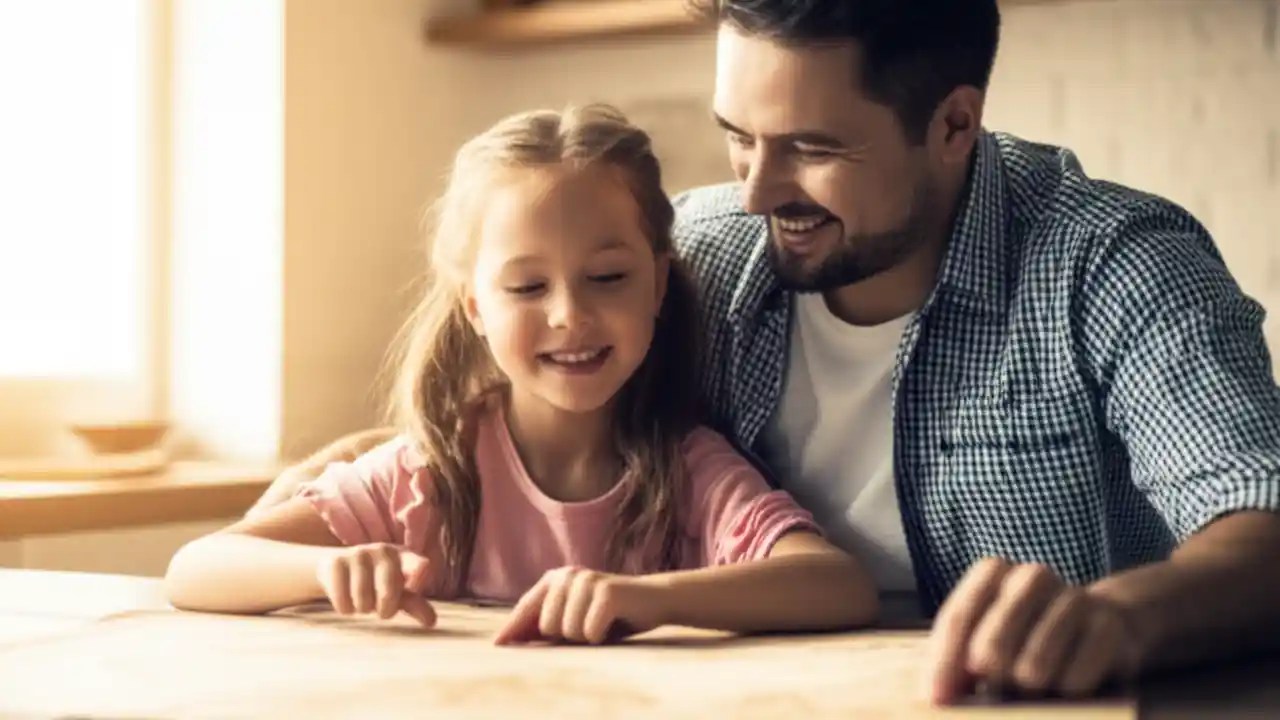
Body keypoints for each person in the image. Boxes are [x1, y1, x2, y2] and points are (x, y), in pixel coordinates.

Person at [247, 0, 1280, 704]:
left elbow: (1260, 528)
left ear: (954, 124)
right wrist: (387, 455)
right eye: (739, 136)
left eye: (812, 149)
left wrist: (1114, 619)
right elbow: (548, 362)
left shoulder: (1112, 265)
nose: (752, 191)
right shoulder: (699, 251)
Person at [165, 105, 879, 646]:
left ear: (658, 284)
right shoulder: (429, 474)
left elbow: (837, 586)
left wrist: (653, 599)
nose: (570, 315)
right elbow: (198, 566)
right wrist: (324, 570)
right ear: (475, 307)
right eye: (528, 287)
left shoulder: (688, 472)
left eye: (608, 277)